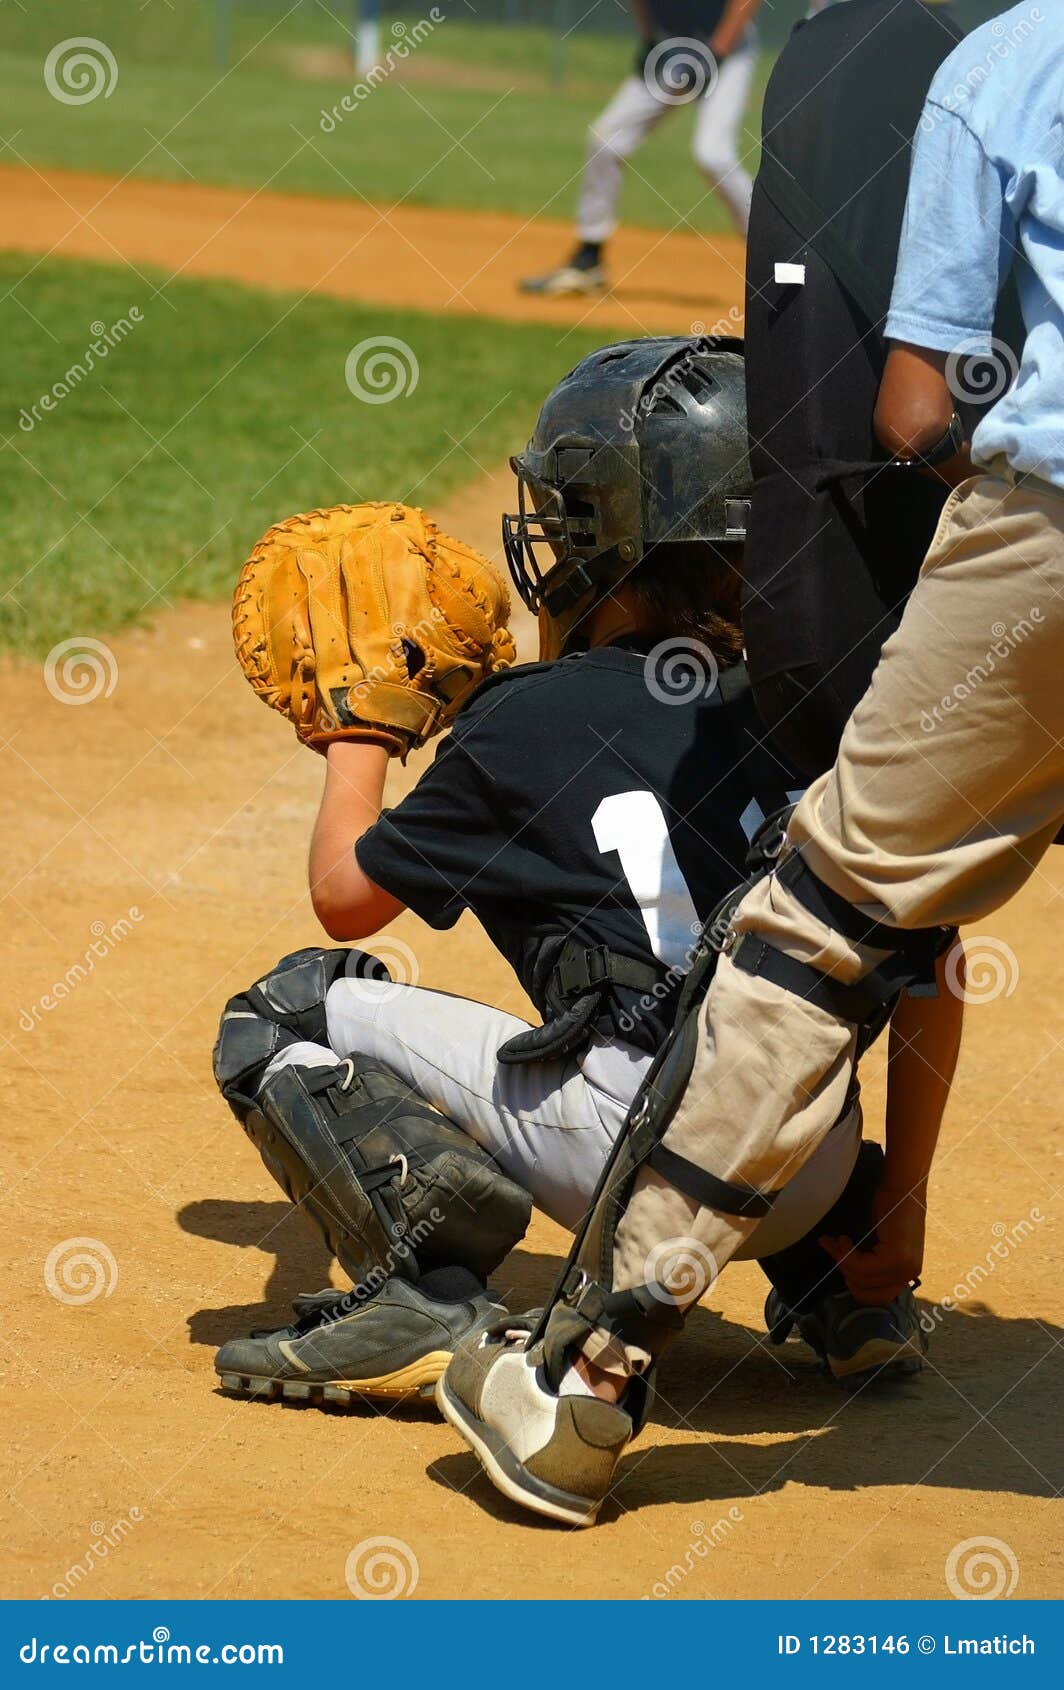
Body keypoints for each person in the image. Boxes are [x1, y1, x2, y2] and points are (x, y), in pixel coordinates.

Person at [438, 0, 1064, 1528]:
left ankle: (583, 1385)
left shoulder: (1005, 57)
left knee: (828, 922)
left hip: (1045, 544)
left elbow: (911, 405)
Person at [211, 337, 930, 1409]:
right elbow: (931, 970)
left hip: (630, 1162)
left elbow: (345, 898)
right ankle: (847, 1293)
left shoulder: (524, 719)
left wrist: (359, 730)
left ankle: (424, 1297)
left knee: (282, 1014)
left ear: (606, 544)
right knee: (790, 987)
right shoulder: (817, 710)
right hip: (810, 1161)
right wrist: (899, 1201)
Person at [521, 0, 762, 298]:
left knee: (713, 156)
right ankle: (589, 259)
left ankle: (772, 249)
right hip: (674, 51)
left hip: (729, 51)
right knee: (605, 141)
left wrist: (718, 52)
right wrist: (649, 39)